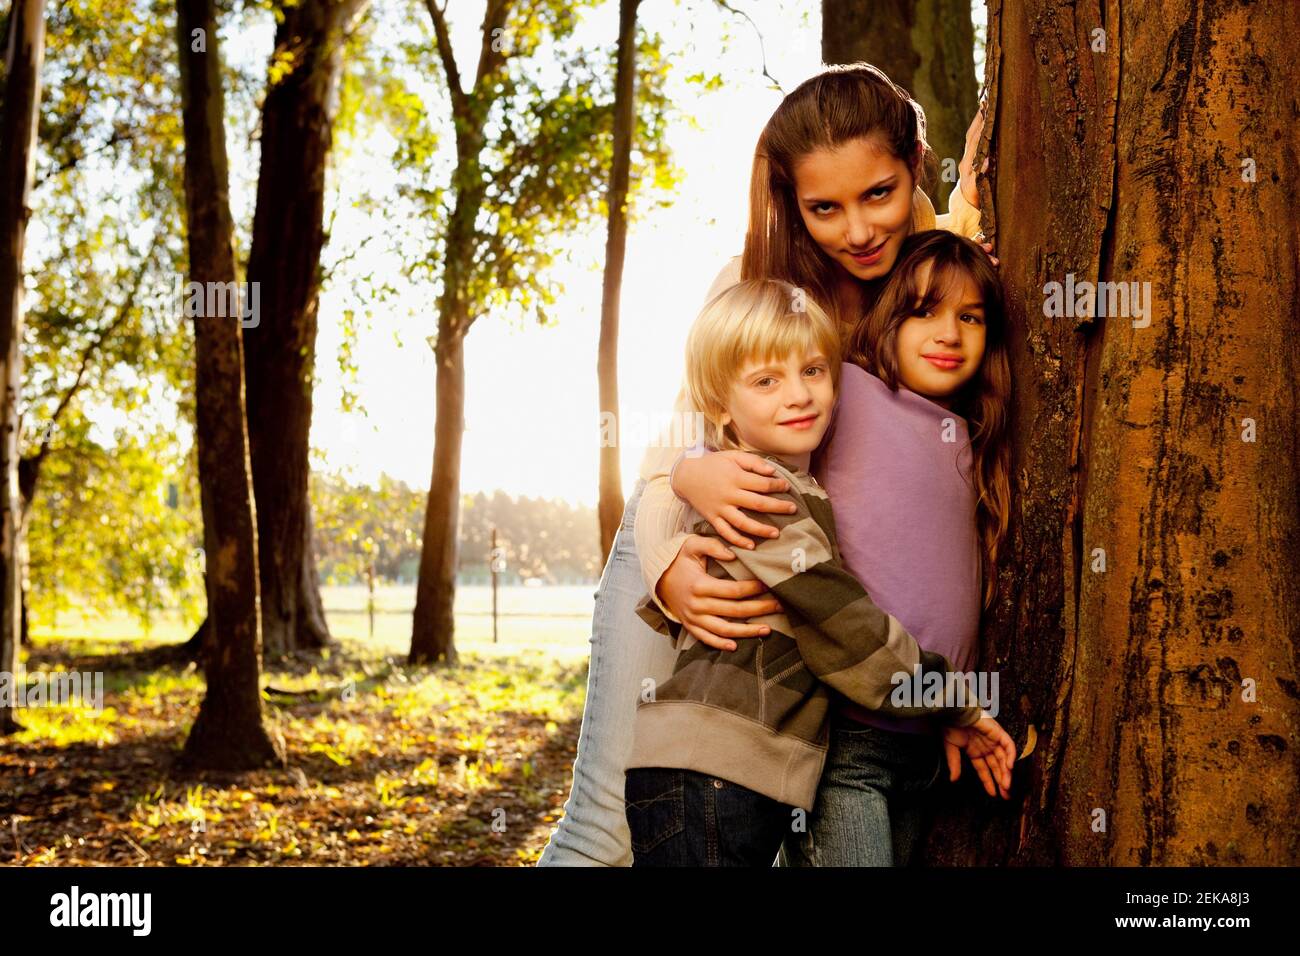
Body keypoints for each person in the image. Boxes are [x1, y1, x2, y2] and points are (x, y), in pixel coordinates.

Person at [538, 62, 995, 867]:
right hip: (688, 552)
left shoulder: (933, 271)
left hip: (797, 584)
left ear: (914, 166)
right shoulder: (757, 279)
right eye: (825, 207)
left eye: (878, 194)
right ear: (794, 200)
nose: (856, 230)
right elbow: (665, 462)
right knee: (605, 827)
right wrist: (673, 552)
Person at [622, 278, 1011, 866]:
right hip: (708, 775)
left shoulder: (798, 489)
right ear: (721, 407)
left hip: (732, 775)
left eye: (813, 371)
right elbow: (848, 628)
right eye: (765, 381)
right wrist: (958, 702)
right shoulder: (762, 492)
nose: (798, 395)